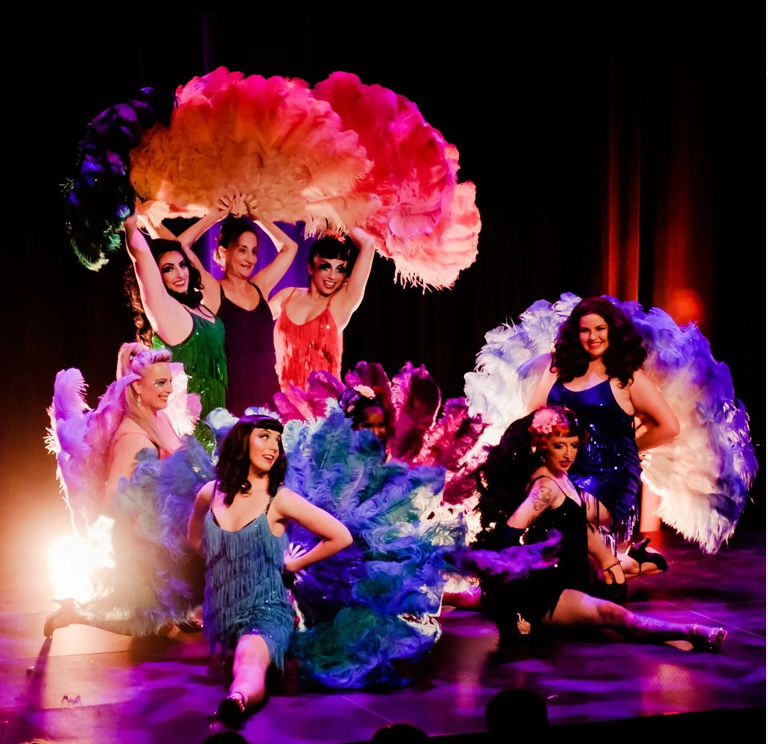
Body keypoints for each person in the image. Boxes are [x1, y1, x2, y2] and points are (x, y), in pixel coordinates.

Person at [473, 406, 725, 651]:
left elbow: (580, 527)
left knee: (642, 565)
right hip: (550, 590)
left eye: (573, 445)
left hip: (575, 572)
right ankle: (688, 631)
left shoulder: (562, 476)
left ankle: (455, 596)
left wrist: (607, 561)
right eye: (560, 446)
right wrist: (512, 582)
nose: (568, 455)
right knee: (614, 615)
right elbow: (505, 536)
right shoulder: (545, 487)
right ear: (542, 445)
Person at [187, 414, 353, 727]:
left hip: (266, 612)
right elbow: (194, 537)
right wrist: (220, 566)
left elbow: (340, 536)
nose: (273, 446)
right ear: (242, 441)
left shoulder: (279, 499)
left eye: (277, 441)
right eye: (264, 437)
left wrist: (294, 564)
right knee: (239, 654)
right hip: (223, 614)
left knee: (248, 659)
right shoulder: (210, 493)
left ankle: (236, 702)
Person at [45, 343, 211, 637]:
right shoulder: (134, 437)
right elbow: (113, 500)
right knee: (143, 622)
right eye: (160, 383)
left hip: (175, 533)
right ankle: (75, 611)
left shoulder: (158, 418)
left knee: (168, 625)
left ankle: (177, 612)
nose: (168, 390)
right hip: (149, 547)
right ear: (136, 388)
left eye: (169, 382)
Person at [530, 297, 679, 570]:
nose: (593, 337)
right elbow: (532, 417)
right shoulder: (557, 370)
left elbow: (669, 426)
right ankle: (628, 562)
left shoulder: (626, 377)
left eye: (600, 328)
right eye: (585, 330)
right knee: (559, 553)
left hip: (610, 476)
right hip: (563, 469)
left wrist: (629, 449)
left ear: (612, 330)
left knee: (560, 514)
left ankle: (612, 563)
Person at [148, 195, 299, 414]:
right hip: (233, 397)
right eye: (242, 249)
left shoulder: (260, 287)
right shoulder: (214, 290)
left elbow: (290, 248)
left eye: (254, 251)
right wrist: (217, 215)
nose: (250, 258)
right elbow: (180, 246)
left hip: (269, 393)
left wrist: (257, 217)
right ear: (222, 252)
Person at [124, 209, 226, 447]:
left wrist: (219, 214)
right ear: (157, 277)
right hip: (186, 433)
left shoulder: (200, 306)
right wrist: (130, 223)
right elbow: (140, 254)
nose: (180, 273)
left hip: (219, 418)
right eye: (168, 269)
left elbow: (183, 245)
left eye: (182, 265)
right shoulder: (164, 310)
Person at [270, 229, 376, 390]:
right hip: (282, 405)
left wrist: (338, 210)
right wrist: (259, 218)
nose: (333, 276)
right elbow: (251, 318)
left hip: (324, 411)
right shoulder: (287, 296)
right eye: (326, 267)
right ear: (311, 267)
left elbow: (368, 245)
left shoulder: (340, 305)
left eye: (339, 269)